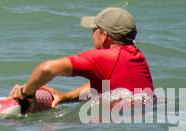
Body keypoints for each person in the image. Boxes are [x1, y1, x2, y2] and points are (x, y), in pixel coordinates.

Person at [9, 7, 154, 112]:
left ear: (104, 36)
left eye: (93, 31)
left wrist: (26, 93)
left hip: (112, 122)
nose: (91, 35)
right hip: (144, 114)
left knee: (47, 128)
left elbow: (47, 68)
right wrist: (65, 97)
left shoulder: (103, 58)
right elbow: (110, 86)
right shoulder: (137, 57)